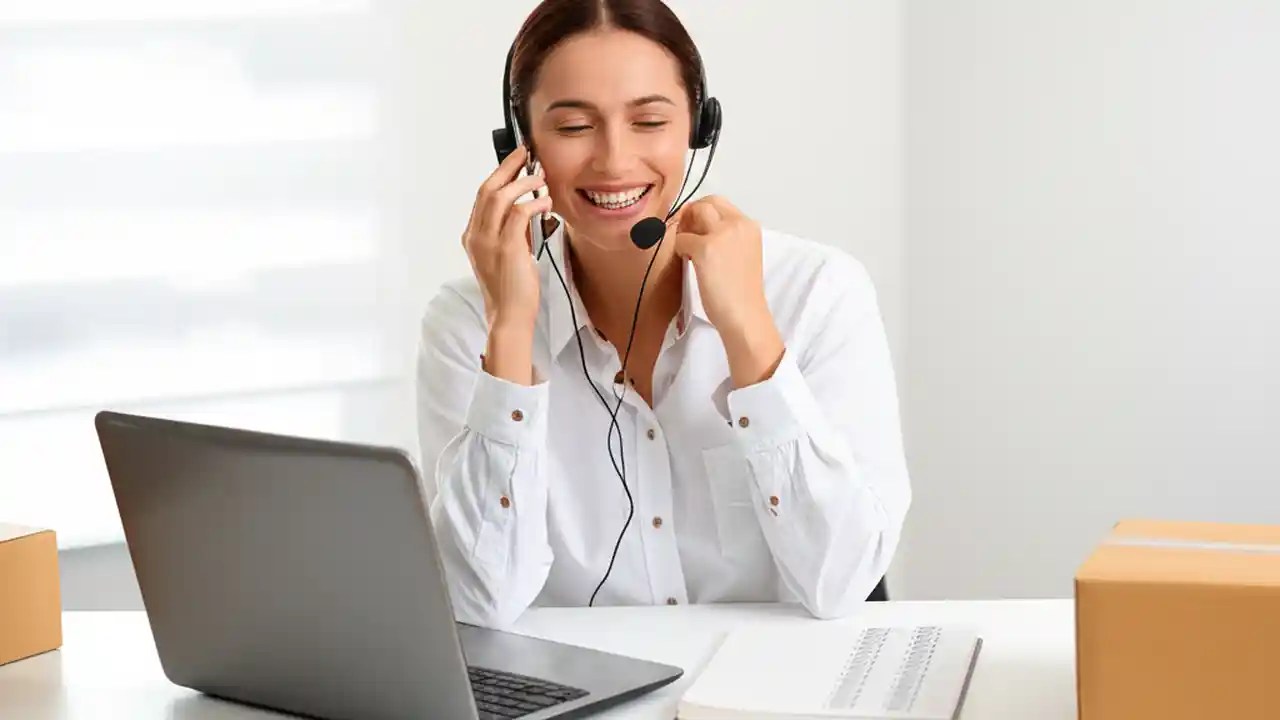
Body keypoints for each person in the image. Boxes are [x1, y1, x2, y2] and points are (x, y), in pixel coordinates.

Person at [416, 0, 910, 629]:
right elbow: (478, 602)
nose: (615, 160)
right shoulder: (465, 323)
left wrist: (750, 333)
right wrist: (509, 330)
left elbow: (842, 582)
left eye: (649, 120)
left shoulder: (816, 292)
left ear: (699, 127)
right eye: (573, 128)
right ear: (520, 145)